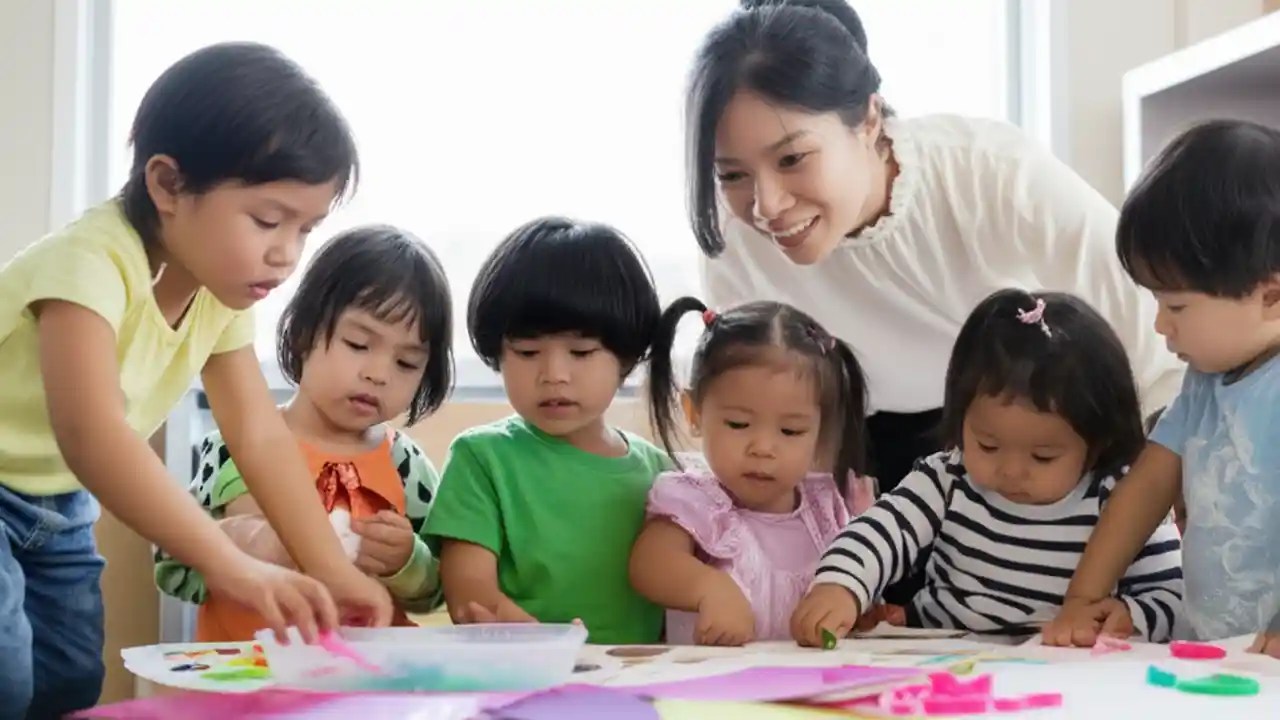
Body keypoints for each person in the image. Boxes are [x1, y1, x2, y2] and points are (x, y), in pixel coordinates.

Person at [0, 42, 394, 718]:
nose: (287, 253)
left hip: (57, 506)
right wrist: (228, 562)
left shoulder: (218, 294)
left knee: (65, 681)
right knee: (4, 676)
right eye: (268, 220)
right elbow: (92, 433)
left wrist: (327, 565)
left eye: (306, 229)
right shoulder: (85, 266)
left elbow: (259, 437)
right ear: (168, 185)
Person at [688, 0, 1181, 495]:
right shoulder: (737, 239)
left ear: (868, 119)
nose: (766, 205)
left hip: (1030, 441)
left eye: (792, 158)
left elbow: (1155, 349)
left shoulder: (994, 176)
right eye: (732, 173)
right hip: (864, 462)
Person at [792, 290, 1183, 646]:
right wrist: (841, 585)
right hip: (943, 650)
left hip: (1061, 668)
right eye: (988, 445)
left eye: (1043, 455)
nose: (1011, 471)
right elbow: (879, 533)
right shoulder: (949, 477)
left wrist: (1129, 617)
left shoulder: (1120, 495)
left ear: (1099, 440)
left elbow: (1173, 596)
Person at [1043, 121, 1280, 658]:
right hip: (1209, 652)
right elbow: (1143, 490)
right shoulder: (1204, 384)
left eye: (1176, 306)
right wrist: (1084, 596)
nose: (1159, 326)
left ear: (1271, 296)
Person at [155, 225, 453, 640]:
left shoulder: (408, 465)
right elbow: (171, 567)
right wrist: (237, 543)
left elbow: (439, 592)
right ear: (301, 336)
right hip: (247, 683)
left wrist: (406, 562)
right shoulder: (235, 443)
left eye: (406, 364)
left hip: (367, 689)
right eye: (358, 344)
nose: (379, 373)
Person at [425, 217, 670, 644]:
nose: (554, 374)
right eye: (527, 352)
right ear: (497, 353)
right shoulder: (482, 458)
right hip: (524, 673)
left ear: (627, 358)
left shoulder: (662, 473)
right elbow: (468, 592)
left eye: (581, 351)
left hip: (641, 680)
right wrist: (516, 630)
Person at [630, 297, 878, 645]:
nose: (763, 448)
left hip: (812, 686)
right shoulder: (695, 499)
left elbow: (859, 579)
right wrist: (708, 588)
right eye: (738, 423)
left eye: (790, 431)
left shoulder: (830, 507)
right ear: (695, 413)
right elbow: (649, 565)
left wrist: (859, 603)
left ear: (820, 431)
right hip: (711, 688)